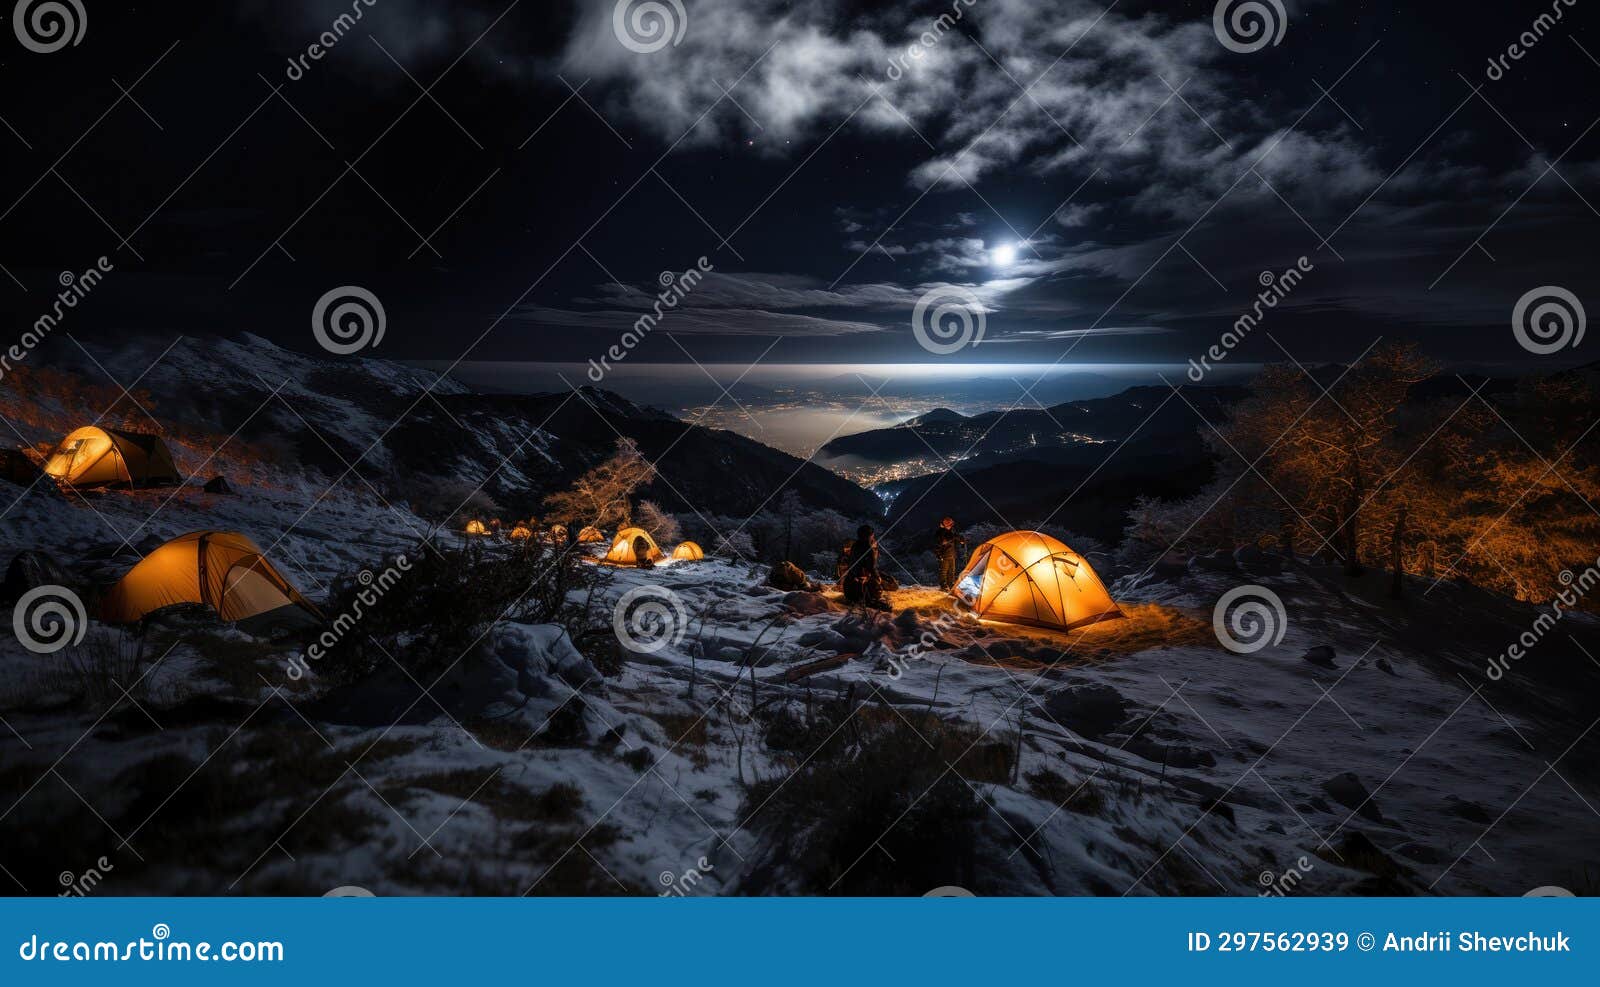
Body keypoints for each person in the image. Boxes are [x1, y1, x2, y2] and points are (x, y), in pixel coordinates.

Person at [843, 525, 889, 611]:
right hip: (859, 590)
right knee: (884, 583)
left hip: (848, 588)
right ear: (870, 535)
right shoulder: (868, 549)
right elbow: (871, 567)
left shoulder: (855, 545)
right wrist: (877, 577)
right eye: (872, 535)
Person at [934, 516, 963, 592]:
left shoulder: (952, 531)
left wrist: (962, 541)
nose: (949, 526)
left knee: (952, 571)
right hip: (944, 555)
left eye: (950, 524)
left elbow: (956, 537)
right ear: (944, 524)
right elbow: (939, 543)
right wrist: (938, 555)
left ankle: (951, 585)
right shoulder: (940, 532)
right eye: (948, 524)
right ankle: (943, 586)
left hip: (952, 554)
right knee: (943, 571)